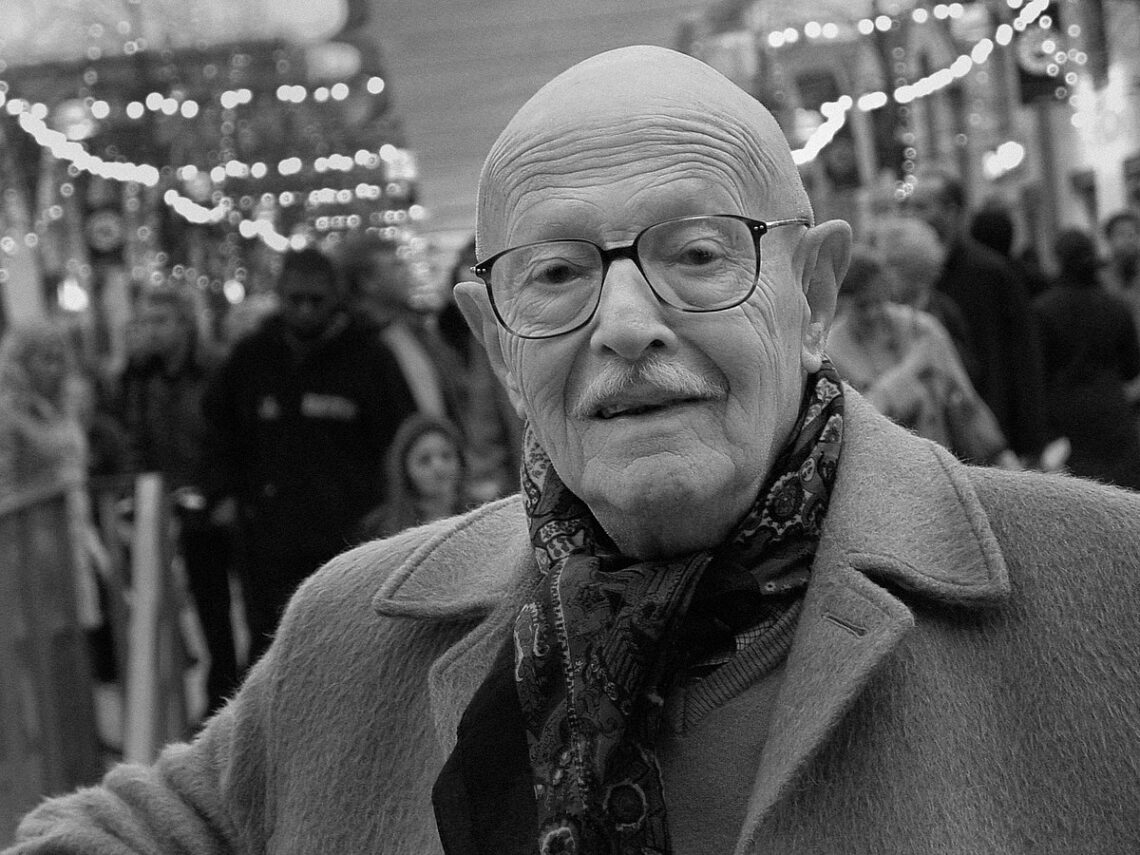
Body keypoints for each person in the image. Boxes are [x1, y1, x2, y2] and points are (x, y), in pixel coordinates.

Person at [7, 46, 1140, 855]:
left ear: (814, 291)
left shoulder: (1103, 593)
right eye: (555, 275)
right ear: (497, 343)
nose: (626, 321)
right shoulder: (359, 636)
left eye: (697, 253)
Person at [199, 246, 416, 669]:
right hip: (268, 535)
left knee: (351, 648)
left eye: (315, 300)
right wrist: (222, 494)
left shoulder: (370, 356)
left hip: (350, 535)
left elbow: (402, 436)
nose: (304, 310)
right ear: (280, 296)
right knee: (272, 649)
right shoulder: (251, 357)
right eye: (294, 299)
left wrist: (393, 507)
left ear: (335, 296)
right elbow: (217, 430)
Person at [116, 284, 238, 716]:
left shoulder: (215, 368)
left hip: (224, 505)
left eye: (161, 321)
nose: (151, 331)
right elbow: (136, 439)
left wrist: (224, 491)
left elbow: (231, 436)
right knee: (209, 613)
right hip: (177, 510)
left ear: (184, 324)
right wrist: (140, 493)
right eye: (146, 321)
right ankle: (219, 698)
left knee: (248, 608)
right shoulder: (139, 376)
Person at [906, 166, 1048, 464]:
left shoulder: (989, 273)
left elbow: (1021, 357)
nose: (913, 215)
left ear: (952, 210)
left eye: (922, 206)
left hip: (991, 435)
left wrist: (1029, 441)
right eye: (911, 207)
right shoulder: (912, 280)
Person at [827, 245, 1013, 466]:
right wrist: (912, 367)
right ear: (843, 302)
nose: (873, 313)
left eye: (879, 301)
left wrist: (1001, 454)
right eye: (862, 306)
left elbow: (964, 401)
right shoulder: (834, 348)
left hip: (940, 462)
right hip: (882, 470)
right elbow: (864, 418)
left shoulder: (922, 329)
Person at [1033, 228, 1140, 489]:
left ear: (1058, 260)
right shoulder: (1114, 305)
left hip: (1065, 418)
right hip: (1113, 411)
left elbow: (1037, 370)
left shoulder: (1042, 309)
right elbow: (1131, 368)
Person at [355, 413, 473, 540]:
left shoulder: (479, 512)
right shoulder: (378, 528)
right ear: (405, 470)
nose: (438, 467)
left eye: (446, 455)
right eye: (425, 460)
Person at [1100, 209, 1140, 332]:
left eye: (1134, 233)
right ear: (1109, 240)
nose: (1130, 239)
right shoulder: (1100, 279)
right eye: (1122, 234)